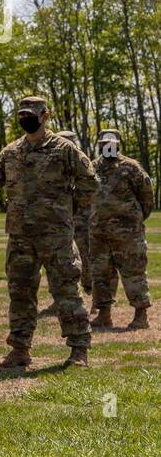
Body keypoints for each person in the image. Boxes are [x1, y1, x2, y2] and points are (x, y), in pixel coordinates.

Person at [0, 96, 95, 368]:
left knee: (66, 291)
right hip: (20, 236)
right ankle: (20, 349)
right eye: (21, 114)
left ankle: (78, 350)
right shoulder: (12, 152)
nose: (25, 118)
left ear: (45, 115)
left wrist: (68, 208)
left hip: (56, 236)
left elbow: (90, 182)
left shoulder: (64, 149)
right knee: (21, 293)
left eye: (31, 114)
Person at [88, 129, 152, 330]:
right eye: (104, 144)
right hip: (99, 232)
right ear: (99, 145)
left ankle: (141, 316)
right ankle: (104, 315)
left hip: (128, 234)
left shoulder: (131, 168)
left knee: (133, 272)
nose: (108, 147)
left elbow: (147, 198)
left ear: (118, 144)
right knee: (101, 274)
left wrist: (134, 219)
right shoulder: (92, 168)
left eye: (112, 144)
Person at [40, 130, 93, 313]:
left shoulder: (83, 164)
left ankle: (92, 299)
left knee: (86, 260)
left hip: (84, 223)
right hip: (59, 223)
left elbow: (90, 190)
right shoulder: (51, 165)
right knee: (58, 262)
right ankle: (58, 299)